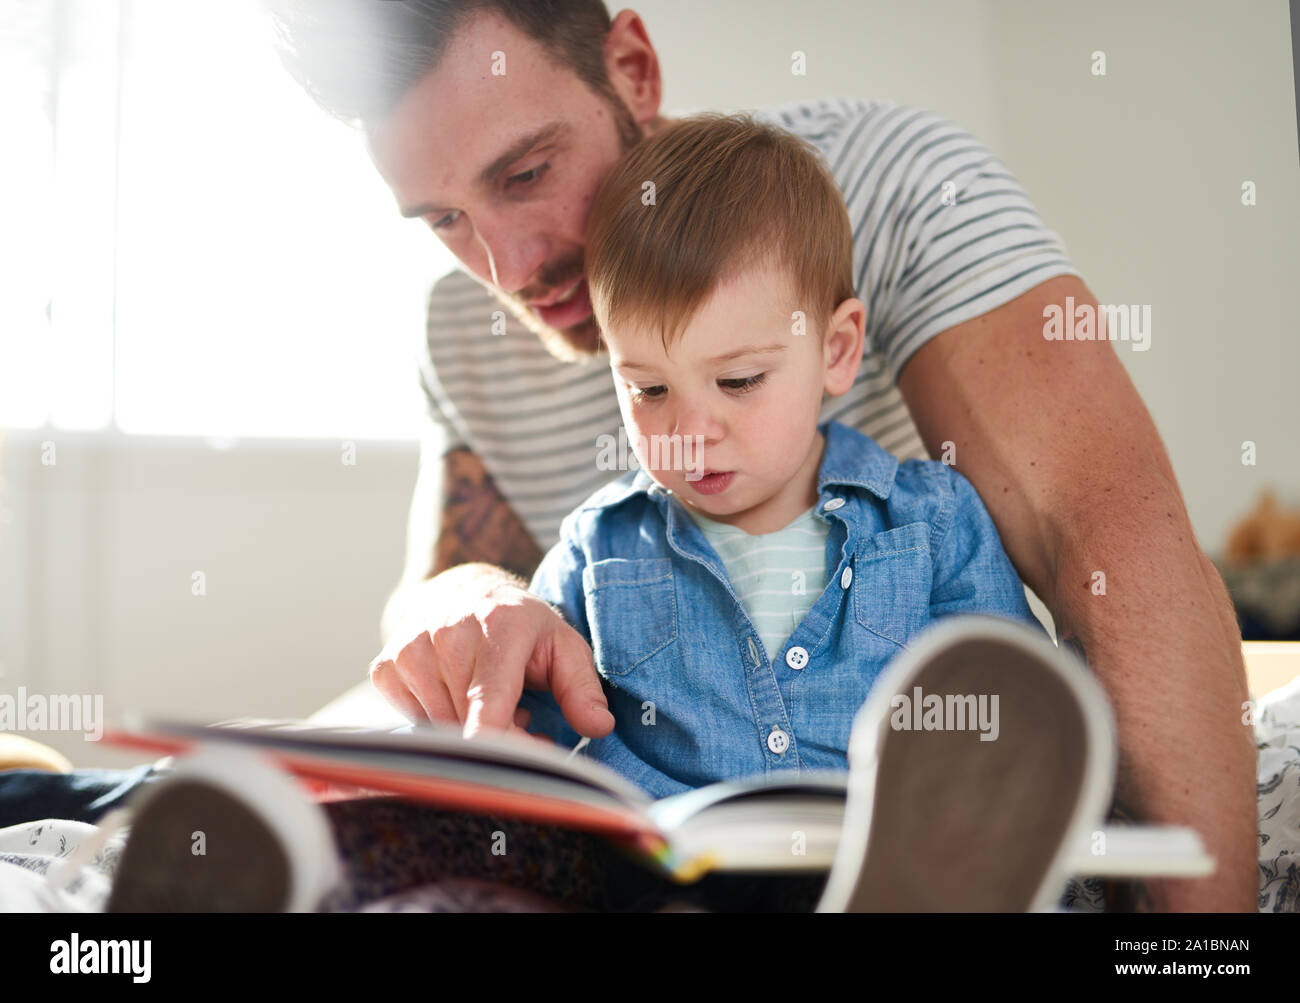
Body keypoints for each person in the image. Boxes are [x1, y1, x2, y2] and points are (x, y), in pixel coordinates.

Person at [279, 1, 1251, 910]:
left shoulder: (893, 185)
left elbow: (1113, 550)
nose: (505, 268)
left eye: (524, 173)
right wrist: (466, 603)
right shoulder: (459, 332)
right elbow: (433, 606)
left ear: (631, 67)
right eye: (442, 220)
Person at [515, 112, 1047, 796]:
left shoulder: (931, 522)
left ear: (836, 349)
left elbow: (1025, 716)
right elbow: (523, 751)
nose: (691, 431)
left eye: (738, 382)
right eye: (648, 388)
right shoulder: (598, 549)